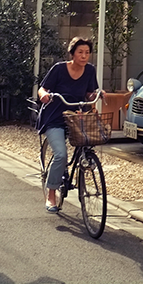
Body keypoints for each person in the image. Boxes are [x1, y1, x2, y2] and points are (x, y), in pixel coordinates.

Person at [36, 36, 99, 212]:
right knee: (61, 155)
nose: (84, 56)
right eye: (80, 52)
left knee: (90, 141)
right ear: (72, 53)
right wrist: (43, 96)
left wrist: (97, 95)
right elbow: (43, 88)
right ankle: (51, 194)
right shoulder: (59, 69)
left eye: (87, 52)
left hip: (76, 117)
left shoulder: (90, 71)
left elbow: (89, 94)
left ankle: (85, 164)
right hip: (55, 117)